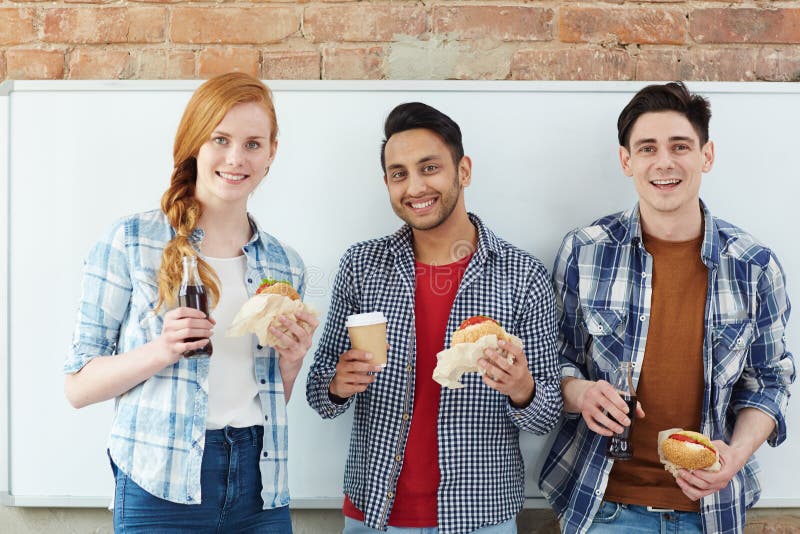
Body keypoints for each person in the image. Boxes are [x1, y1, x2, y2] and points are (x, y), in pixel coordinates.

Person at [64, 72, 318, 533]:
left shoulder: (286, 264)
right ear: (195, 143)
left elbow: (267, 395)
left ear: (271, 153)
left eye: (253, 144)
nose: (236, 158)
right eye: (220, 139)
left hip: (261, 485)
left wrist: (292, 360)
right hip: (160, 486)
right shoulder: (132, 241)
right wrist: (162, 349)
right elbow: (78, 387)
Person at [539, 81, 795, 533]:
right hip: (604, 507)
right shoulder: (584, 251)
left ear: (706, 156)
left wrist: (734, 456)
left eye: (680, 146)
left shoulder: (755, 266)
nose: (664, 162)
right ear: (626, 160)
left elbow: (769, 382)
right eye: (647, 148)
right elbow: (551, 361)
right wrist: (581, 394)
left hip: (712, 512)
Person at [306, 102, 562, 534]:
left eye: (429, 168)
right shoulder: (362, 266)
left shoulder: (523, 276)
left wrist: (521, 388)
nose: (415, 186)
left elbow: (546, 415)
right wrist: (336, 385)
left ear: (463, 170)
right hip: (373, 514)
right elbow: (318, 395)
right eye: (399, 174)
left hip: (480, 516)